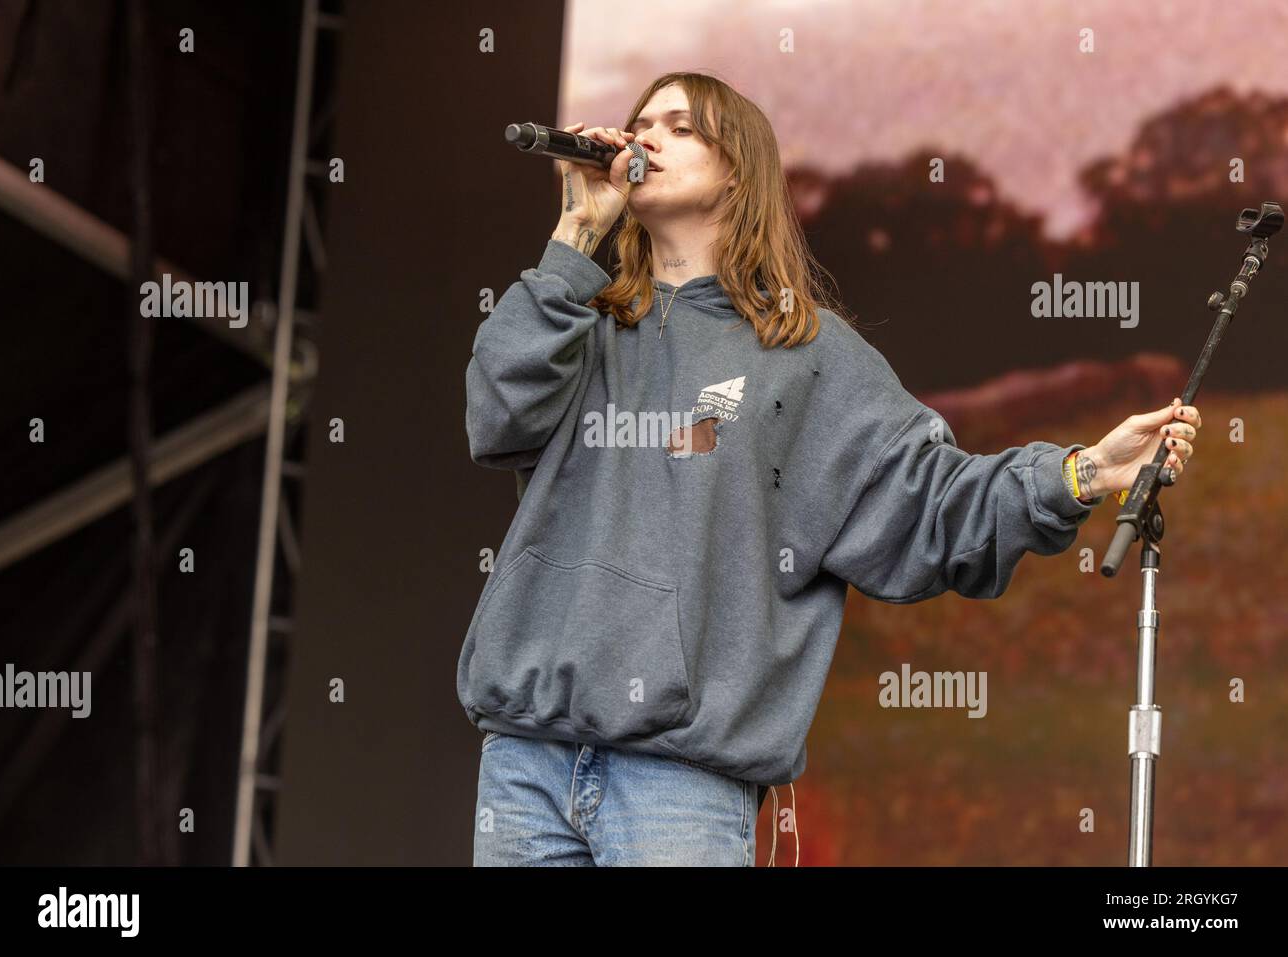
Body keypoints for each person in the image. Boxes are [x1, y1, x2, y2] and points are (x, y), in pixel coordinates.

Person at [458, 72, 1202, 866]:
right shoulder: (580, 317)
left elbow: (931, 502)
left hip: (682, 783)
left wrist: (1081, 472)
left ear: (739, 167)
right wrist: (575, 238)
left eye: (679, 126)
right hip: (525, 763)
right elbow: (496, 418)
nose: (644, 138)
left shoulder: (805, 356)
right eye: (639, 122)